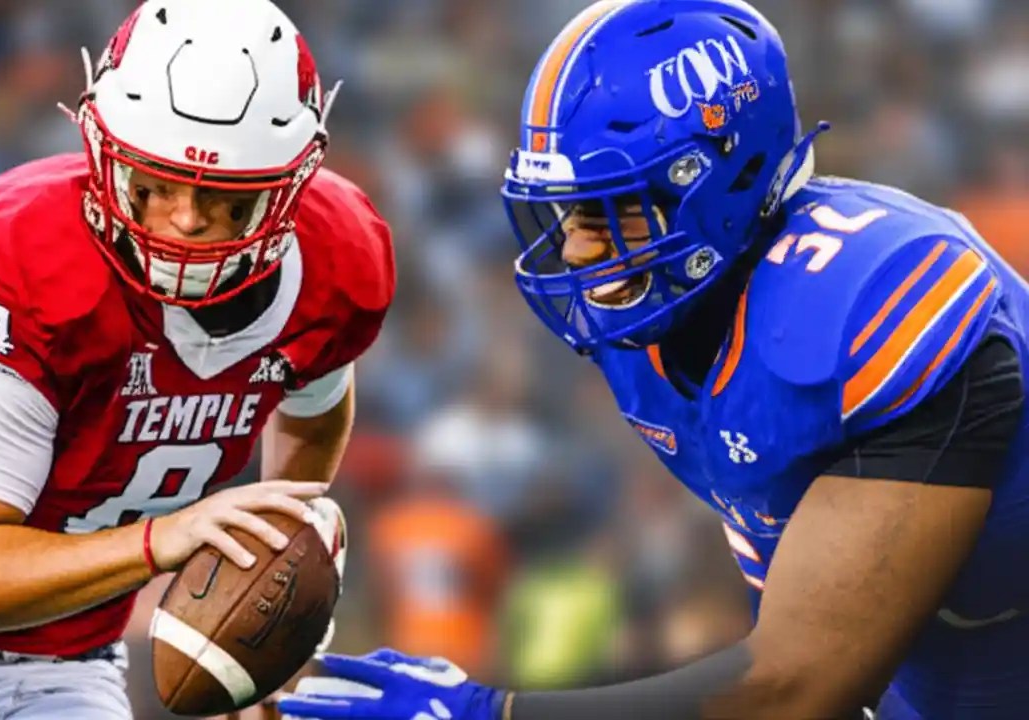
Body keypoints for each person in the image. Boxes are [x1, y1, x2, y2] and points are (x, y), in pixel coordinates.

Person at [279, 1, 1029, 718]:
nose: (577, 247)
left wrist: (489, 713)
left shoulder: (874, 295)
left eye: (612, 209)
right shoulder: (657, 334)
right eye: (571, 212)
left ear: (718, 178)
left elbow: (793, 687)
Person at [0, 1, 394, 718]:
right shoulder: (31, 255)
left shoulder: (338, 260)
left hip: (72, 665)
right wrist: (161, 541)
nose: (182, 218)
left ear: (287, 188)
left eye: (221, 196)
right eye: (153, 185)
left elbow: (314, 406)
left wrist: (267, 584)